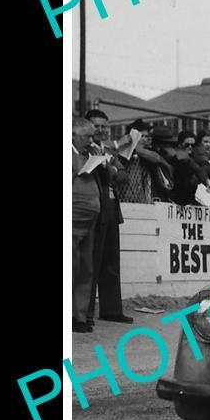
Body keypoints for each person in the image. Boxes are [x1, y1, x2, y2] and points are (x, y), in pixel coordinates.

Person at [83, 109, 133, 326]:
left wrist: (110, 168)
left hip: (112, 208)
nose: (101, 130)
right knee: (91, 261)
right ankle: (85, 312)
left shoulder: (108, 151)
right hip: (94, 208)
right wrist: (109, 170)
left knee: (111, 261)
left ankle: (111, 309)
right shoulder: (82, 150)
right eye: (97, 126)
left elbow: (123, 176)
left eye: (105, 126)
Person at [72, 116, 102, 333]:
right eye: (87, 136)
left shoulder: (89, 153)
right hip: (72, 216)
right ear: (73, 135)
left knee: (85, 268)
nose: (91, 141)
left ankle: (80, 315)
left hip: (89, 217)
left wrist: (101, 160)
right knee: (71, 267)